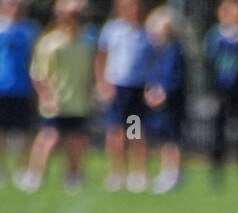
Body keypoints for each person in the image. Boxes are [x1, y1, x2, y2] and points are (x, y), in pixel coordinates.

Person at [16, 0, 90, 193]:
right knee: (49, 137)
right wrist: (47, 95)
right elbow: (39, 74)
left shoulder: (84, 42)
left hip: (77, 101)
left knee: (75, 140)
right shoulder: (50, 43)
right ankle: (35, 174)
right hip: (57, 101)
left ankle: (73, 175)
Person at [95, 0, 151, 192]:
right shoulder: (112, 30)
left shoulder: (146, 32)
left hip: (136, 87)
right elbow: (101, 57)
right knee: (115, 130)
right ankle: (117, 172)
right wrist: (102, 83)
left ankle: (138, 172)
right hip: (117, 87)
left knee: (134, 131)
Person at [203, 0, 238, 182]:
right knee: (219, 132)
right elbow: (209, 63)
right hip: (221, 91)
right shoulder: (216, 36)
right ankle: (217, 170)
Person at [143, 4, 186, 194]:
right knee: (162, 137)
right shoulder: (158, 53)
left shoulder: (175, 51)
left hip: (171, 103)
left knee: (172, 138)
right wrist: (150, 90)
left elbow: (174, 77)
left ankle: (174, 172)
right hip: (159, 103)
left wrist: (164, 93)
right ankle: (165, 170)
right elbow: (154, 75)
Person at [0, 0, 40, 186]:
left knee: (23, 131)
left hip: (22, 87)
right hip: (2, 86)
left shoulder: (30, 29)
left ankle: (21, 169)